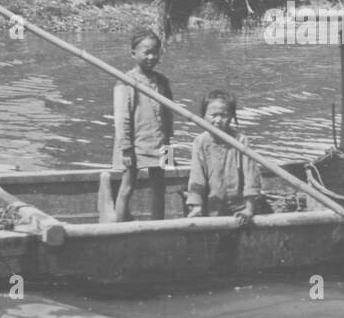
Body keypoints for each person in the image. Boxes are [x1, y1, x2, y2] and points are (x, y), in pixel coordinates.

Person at [109, 30, 174, 222]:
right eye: (146, 52)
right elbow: (122, 118)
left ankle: (158, 225)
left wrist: (169, 148)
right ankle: (119, 227)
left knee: (160, 186)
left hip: (161, 143)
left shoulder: (163, 81)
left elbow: (168, 116)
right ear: (133, 54)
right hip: (133, 144)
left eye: (155, 52)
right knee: (128, 185)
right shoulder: (126, 81)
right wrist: (126, 148)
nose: (151, 57)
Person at [185, 90, 263, 227]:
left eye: (224, 115)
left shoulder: (241, 141)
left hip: (239, 208)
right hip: (211, 209)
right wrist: (196, 205)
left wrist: (249, 208)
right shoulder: (200, 142)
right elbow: (197, 177)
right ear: (203, 116)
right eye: (213, 115)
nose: (218, 120)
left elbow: (251, 177)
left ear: (232, 117)